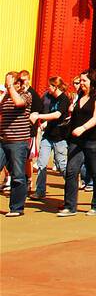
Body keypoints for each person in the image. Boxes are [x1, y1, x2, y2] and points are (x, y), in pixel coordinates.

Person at [59, 72, 96, 216]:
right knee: (71, 171)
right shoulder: (79, 96)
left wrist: (83, 128)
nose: (81, 83)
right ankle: (70, 206)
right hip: (76, 141)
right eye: (80, 80)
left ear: (92, 81)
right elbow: (72, 111)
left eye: (84, 80)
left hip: (95, 140)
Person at [1, 70, 34, 216]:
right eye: (6, 82)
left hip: (18, 141)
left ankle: (16, 208)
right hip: (3, 139)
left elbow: (18, 103)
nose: (8, 85)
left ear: (18, 84)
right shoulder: (6, 95)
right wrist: (5, 92)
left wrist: (10, 88)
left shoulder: (26, 95)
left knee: (18, 175)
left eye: (11, 82)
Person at [31, 76, 70, 200]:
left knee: (61, 165)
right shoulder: (50, 97)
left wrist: (39, 116)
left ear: (55, 86)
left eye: (50, 85)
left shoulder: (64, 99)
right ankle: (40, 191)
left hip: (59, 137)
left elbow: (57, 114)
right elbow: (51, 114)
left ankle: (71, 185)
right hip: (47, 135)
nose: (48, 88)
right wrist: (45, 122)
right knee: (41, 163)